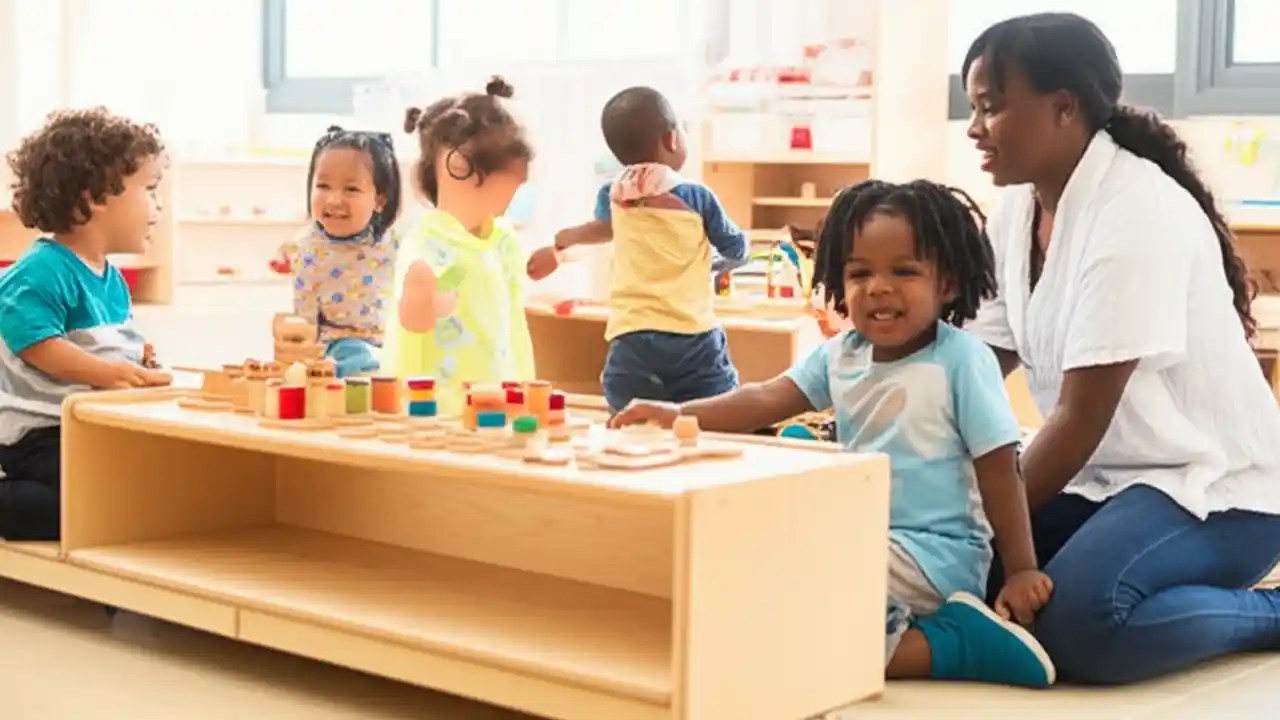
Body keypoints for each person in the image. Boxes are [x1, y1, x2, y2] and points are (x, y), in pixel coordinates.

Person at [613, 178, 1058, 688]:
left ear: (948, 284)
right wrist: (675, 414)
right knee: (775, 621)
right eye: (859, 273)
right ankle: (913, 633)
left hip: (938, 554)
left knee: (797, 635)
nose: (878, 288)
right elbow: (763, 398)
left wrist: (1021, 568)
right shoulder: (842, 354)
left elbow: (1001, 469)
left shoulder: (962, 359)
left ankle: (958, 644)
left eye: (904, 271)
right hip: (863, 537)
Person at [963, 12, 1280, 684]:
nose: (973, 129)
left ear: (1063, 108)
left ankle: (1272, 613)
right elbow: (973, 371)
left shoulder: (1136, 207)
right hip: (1105, 483)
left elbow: (1081, 415)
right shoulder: (1017, 212)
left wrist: (984, 511)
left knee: (1082, 623)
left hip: (1215, 490)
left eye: (990, 108)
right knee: (962, 571)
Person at [0, 107, 173, 541]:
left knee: (147, 485)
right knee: (86, 504)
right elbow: (35, 341)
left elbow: (104, 342)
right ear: (94, 196)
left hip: (87, 425)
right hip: (40, 433)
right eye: (149, 190)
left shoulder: (110, 278)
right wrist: (108, 372)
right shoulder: (41, 269)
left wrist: (136, 358)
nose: (158, 204)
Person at [526, 86, 749, 413]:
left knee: (631, 423)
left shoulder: (614, 195)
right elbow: (737, 247)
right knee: (717, 414)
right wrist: (717, 264)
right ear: (672, 139)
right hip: (693, 337)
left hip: (632, 339)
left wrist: (559, 244)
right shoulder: (697, 197)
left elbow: (600, 230)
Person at [385, 76, 535, 416]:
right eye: (511, 179)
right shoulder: (430, 242)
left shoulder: (501, 240)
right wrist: (425, 299)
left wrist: (522, 391)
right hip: (440, 405)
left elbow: (511, 321)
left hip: (499, 397)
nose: (517, 189)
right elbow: (413, 320)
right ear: (460, 166)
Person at [279, 127, 402, 378]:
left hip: (384, 347)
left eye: (351, 189)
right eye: (323, 186)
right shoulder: (306, 245)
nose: (334, 200)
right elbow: (304, 317)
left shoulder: (394, 246)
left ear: (380, 199)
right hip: (328, 347)